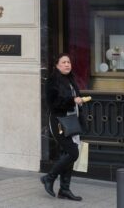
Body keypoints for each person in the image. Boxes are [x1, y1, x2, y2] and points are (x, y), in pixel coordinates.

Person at [41, 53, 84, 201]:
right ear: (57, 65)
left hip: (72, 122)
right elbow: (53, 103)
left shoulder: (70, 79)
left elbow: (73, 100)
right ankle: (49, 177)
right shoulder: (52, 81)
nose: (67, 64)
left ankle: (64, 190)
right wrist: (73, 100)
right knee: (73, 153)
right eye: (64, 62)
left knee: (67, 155)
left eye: (69, 62)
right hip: (59, 122)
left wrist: (78, 102)